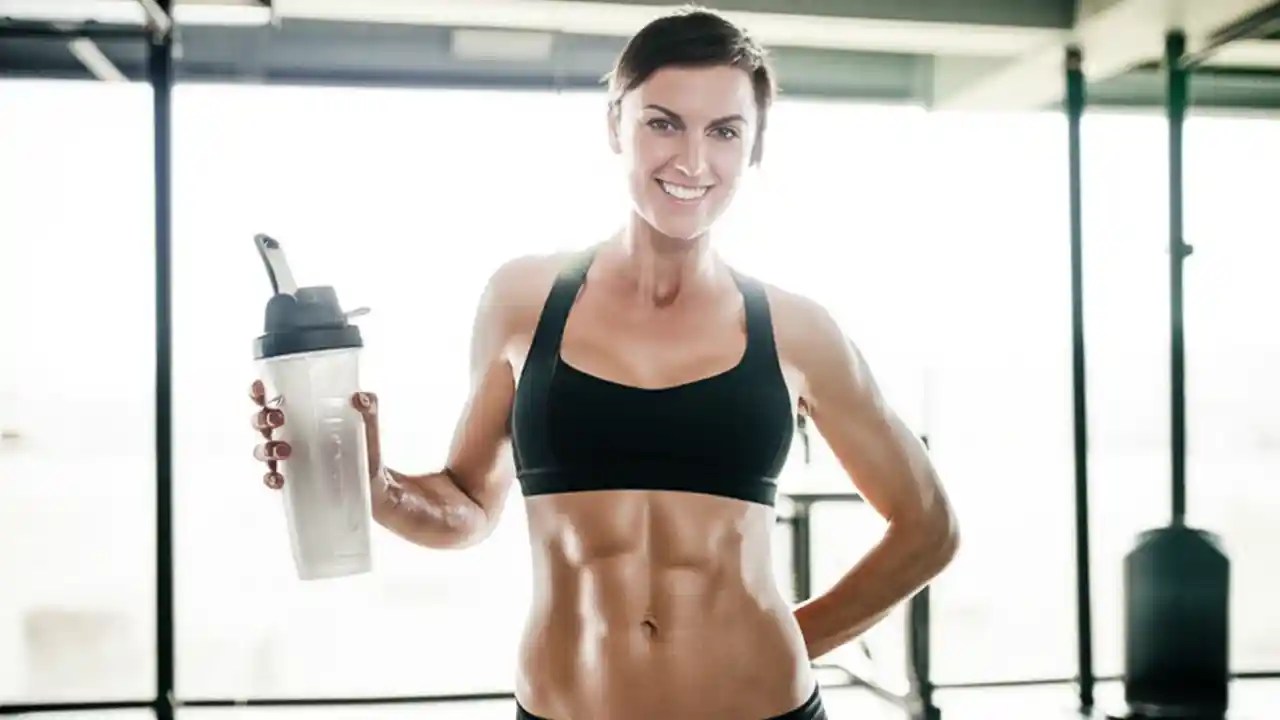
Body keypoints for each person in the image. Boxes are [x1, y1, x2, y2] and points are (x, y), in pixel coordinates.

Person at [249, 7, 959, 719]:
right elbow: (468, 505)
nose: (691, 160)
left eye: (724, 132)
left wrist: (783, 639)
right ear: (614, 123)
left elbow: (929, 528)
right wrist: (377, 488)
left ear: (754, 149)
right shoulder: (522, 300)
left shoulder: (798, 331)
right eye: (662, 122)